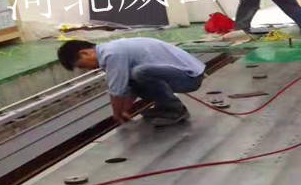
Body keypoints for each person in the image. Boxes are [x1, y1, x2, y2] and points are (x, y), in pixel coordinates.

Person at [57, 38, 204, 127]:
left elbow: (117, 90)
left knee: (139, 72)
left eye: (82, 65)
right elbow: (127, 86)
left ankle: (176, 110)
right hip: (180, 74)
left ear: (85, 53)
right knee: (134, 75)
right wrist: (125, 111)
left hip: (189, 77)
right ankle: (165, 107)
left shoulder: (112, 54)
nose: (87, 69)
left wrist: (117, 115)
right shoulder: (112, 49)